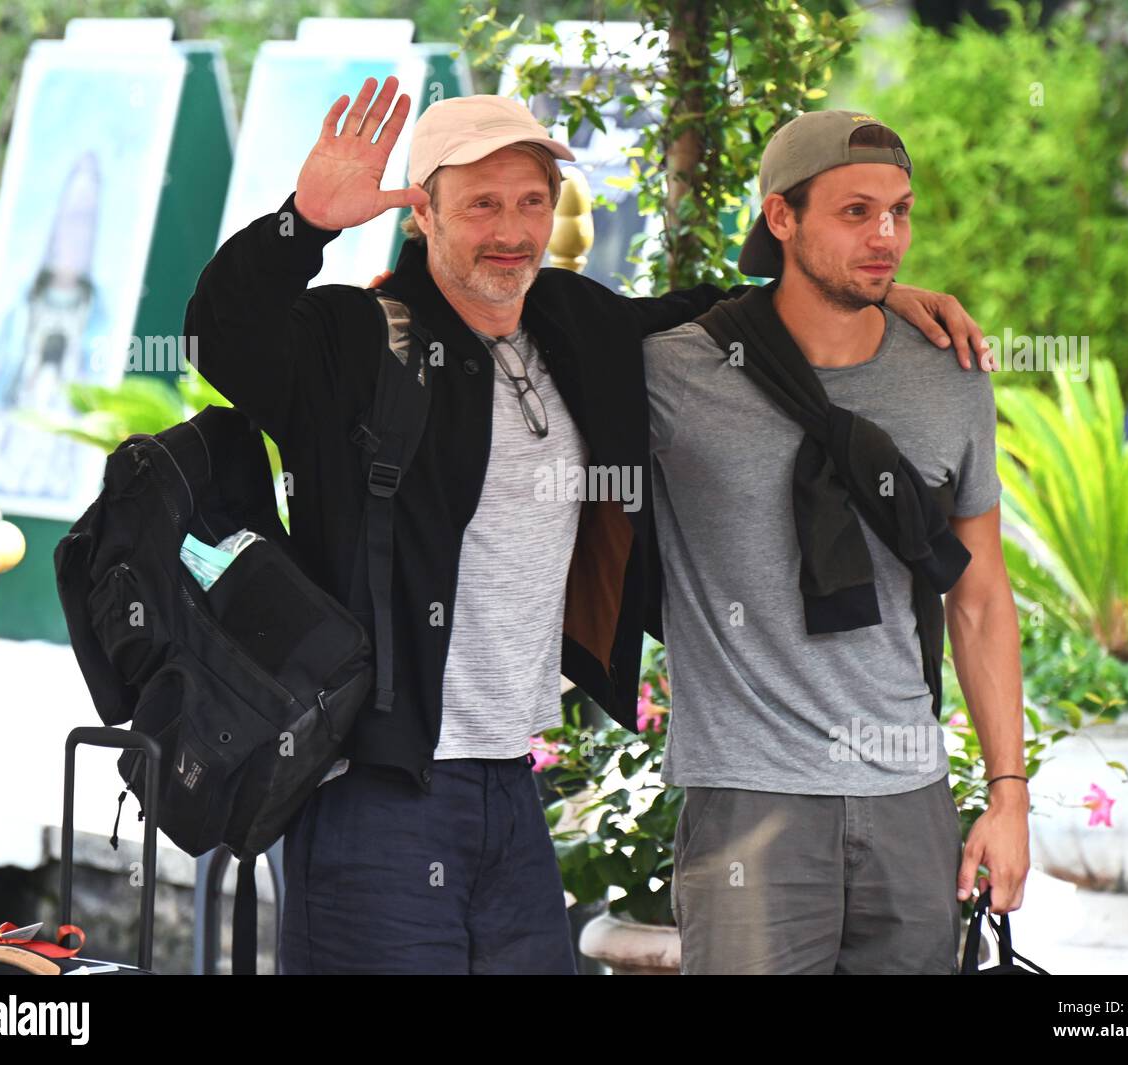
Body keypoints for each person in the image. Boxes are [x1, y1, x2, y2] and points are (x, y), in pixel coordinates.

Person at [184, 78, 993, 974]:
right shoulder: (358, 338)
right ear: (423, 214)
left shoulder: (570, 323)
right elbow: (220, 337)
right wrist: (306, 223)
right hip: (375, 785)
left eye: (533, 201)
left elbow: (735, 318)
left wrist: (881, 286)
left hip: (507, 783)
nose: (511, 228)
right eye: (481, 203)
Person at [644, 109, 1027, 974]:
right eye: (855, 212)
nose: (887, 235)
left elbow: (979, 592)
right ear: (781, 218)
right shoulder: (677, 370)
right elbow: (552, 327)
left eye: (900, 210)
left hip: (909, 795)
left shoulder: (949, 371)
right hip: (752, 801)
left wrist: (1009, 794)